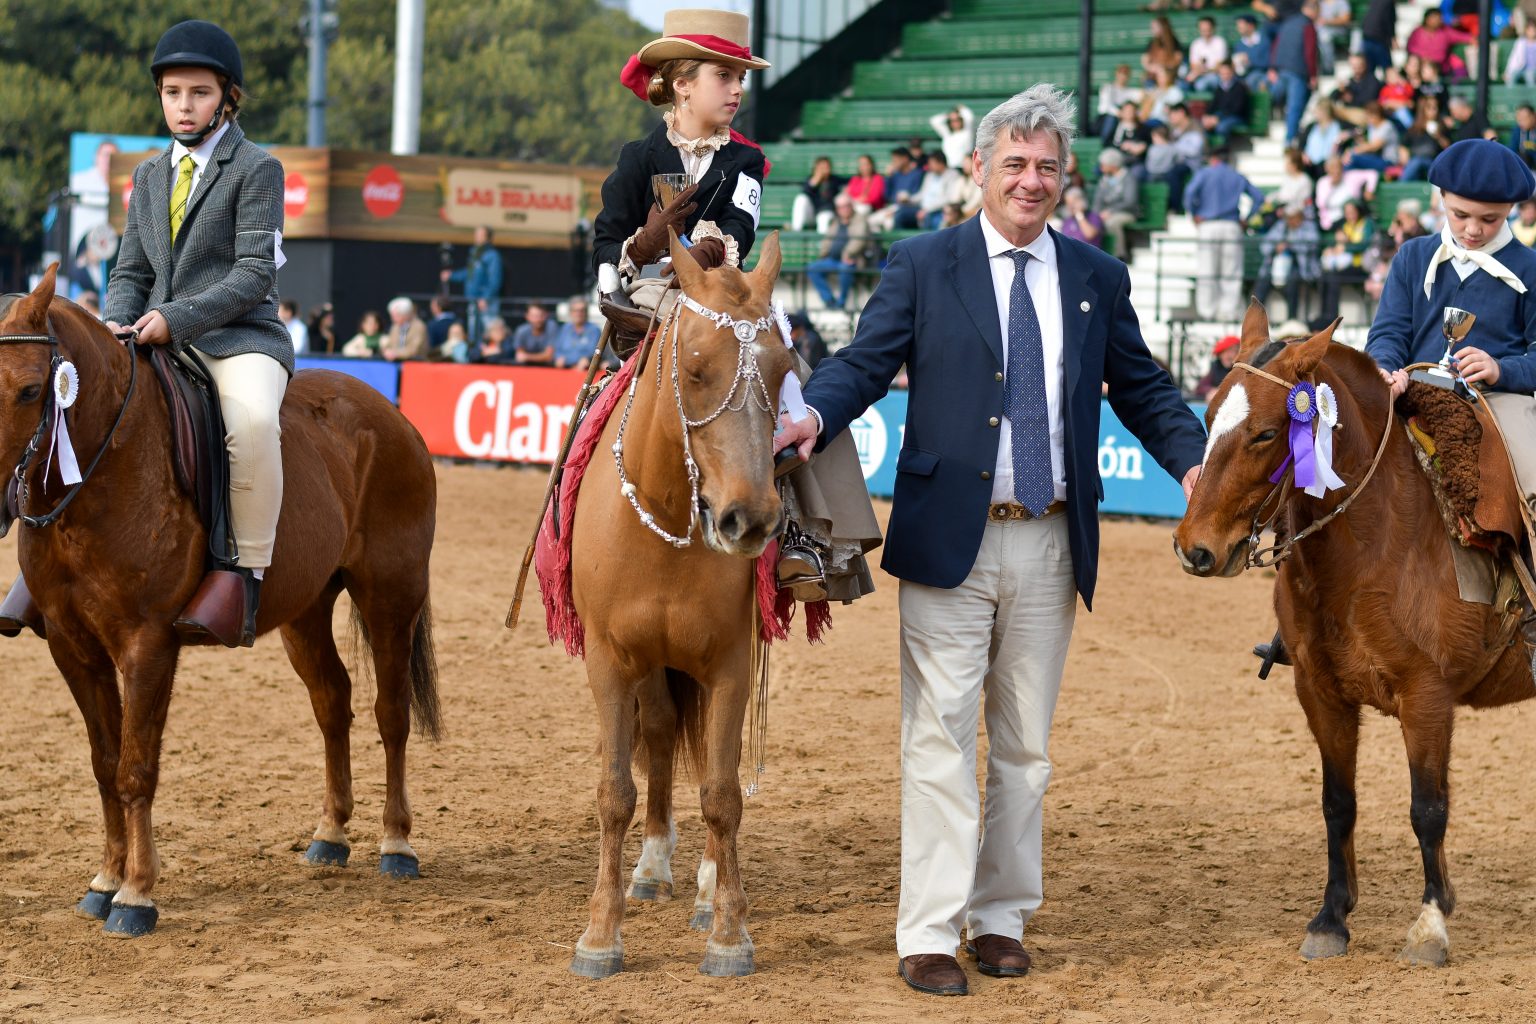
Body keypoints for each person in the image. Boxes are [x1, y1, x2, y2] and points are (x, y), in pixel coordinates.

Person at [773, 84, 1206, 1000]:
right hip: (947, 545)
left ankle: (1000, 917)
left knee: (1024, 749)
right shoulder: (925, 263)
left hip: (1052, 543)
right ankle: (928, 930)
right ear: (978, 169)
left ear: (1066, 176)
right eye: (1014, 163)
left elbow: (1146, 389)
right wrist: (810, 412)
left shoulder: (1097, 277)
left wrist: (1195, 461)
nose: (1031, 181)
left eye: (1048, 166)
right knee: (936, 740)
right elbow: (861, 361)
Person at [8, 20, 293, 647]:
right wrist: (115, 319)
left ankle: (243, 573)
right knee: (69, 408)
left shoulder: (258, 169)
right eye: (172, 93)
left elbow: (252, 275)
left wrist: (176, 318)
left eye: (197, 92)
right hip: (149, 332)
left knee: (249, 425)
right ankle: (42, 566)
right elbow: (131, 269)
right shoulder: (147, 176)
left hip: (239, 338)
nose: (184, 106)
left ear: (227, 96)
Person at [1261, 139, 1536, 668]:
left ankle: (1530, 607)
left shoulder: (1529, 267)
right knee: (1328, 468)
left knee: (1527, 480)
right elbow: (1389, 331)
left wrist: (1505, 369)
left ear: (1511, 213)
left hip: (1498, 401)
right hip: (1412, 394)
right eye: (1460, 215)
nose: (1473, 229)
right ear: (1440, 200)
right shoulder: (1413, 257)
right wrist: (1384, 368)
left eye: (1489, 218)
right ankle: (1300, 613)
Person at [594, 8, 772, 290]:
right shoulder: (637, 158)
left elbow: (741, 227)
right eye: (724, 75)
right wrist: (642, 247)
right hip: (648, 305)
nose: (738, 89)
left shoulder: (747, 160)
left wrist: (713, 249)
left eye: (741, 78)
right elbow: (603, 252)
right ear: (682, 84)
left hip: (718, 298)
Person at [1184, 146, 1265, 322]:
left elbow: (1189, 193)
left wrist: (1194, 213)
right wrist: (1247, 218)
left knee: (1207, 270)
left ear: (1213, 158)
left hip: (1208, 224)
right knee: (1231, 272)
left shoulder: (1205, 173)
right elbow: (1258, 198)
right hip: (1231, 225)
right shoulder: (1236, 175)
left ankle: (1207, 312)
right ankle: (1228, 312)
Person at [1310, 197, 1375, 328]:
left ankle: (1332, 318)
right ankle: (1324, 315)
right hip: (1345, 265)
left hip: (1360, 266)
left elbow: (1365, 245)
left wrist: (1346, 247)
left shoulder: (1366, 224)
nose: (1349, 215)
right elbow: (1339, 245)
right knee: (1324, 276)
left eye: (1352, 211)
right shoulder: (1345, 226)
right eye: (1347, 212)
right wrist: (1332, 250)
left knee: (1334, 278)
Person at [1254, 203, 1321, 321]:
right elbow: (1264, 245)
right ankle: (1255, 318)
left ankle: (1292, 319)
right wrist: (1276, 247)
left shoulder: (1309, 227)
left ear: (1300, 217)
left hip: (1301, 268)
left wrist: (1290, 246)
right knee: (1263, 281)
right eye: (1288, 218)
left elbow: (1312, 244)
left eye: (1293, 217)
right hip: (1277, 266)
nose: (1290, 221)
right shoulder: (1281, 226)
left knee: (1293, 281)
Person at [806, 193, 872, 310]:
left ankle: (841, 302)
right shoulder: (835, 221)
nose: (844, 209)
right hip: (832, 260)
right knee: (813, 268)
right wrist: (823, 254)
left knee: (845, 267)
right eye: (841, 207)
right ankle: (829, 300)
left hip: (853, 259)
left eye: (847, 206)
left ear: (851, 206)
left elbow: (859, 240)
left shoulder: (860, 219)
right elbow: (827, 239)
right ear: (837, 209)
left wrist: (848, 254)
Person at [440, 225, 503, 345]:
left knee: (491, 330)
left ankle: (493, 356)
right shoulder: (475, 254)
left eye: (480, 235)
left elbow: (495, 279)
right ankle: (475, 354)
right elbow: (470, 274)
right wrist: (452, 275)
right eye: (476, 234)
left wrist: (486, 298)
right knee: (474, 331)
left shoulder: (492, 256)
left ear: (488, 238)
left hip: (486, 302)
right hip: (472, 299)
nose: (477, 237)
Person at [1268, 0, 1319, 147]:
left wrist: (1272, 67)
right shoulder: (1307, 25)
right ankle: (1289, 140)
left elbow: (1275, 45)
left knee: (1281, 99)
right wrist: (1313, 74)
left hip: (1281, 69)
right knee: (1295, 106)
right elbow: (1310, 52)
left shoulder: (1287, 23)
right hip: (1298, 71)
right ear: (1311, 10)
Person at [1091, 148, 1140, 260]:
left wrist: (1110, 211)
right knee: (1093, 221)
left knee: (1112, 223)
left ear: (1113, 165)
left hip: (1127, 213)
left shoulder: (1128, 178)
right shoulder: (1104, 179)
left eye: (1103, 165)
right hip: (1106, 213)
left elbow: (1130, 201)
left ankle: (1119, 255)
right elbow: (1097, 201)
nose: (1101, 167)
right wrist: (1096, 214)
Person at [870, 146, 926, 231]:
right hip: (893, 208)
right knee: (871, 221)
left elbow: (915, 198)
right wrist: (888, 177)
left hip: (909, 208)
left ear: (905, 159)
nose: (893, 163)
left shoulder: (917, 174)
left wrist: (895, 210)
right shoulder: (895, 175)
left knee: (889, 222)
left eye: (895, 160)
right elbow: (887, 196)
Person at [1406, 9, 1473, 80]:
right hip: (1420, 65)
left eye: (1439, 18)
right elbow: (1411, 48)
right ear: (1427, 19)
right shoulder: (1417, 32)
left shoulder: (1445, 32)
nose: (1437, 21)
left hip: (1440, 68)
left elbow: (1465, 38)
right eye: (1434, 18)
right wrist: (1423, 59)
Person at [791, 155, 843, 232]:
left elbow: (849, 182)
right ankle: (796, 231)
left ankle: (821, 244)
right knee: (801, 199)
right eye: (822, 167)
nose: (824, 169)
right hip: (811, 214)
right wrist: (816, 179)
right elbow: (805, 192)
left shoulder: (835, 180)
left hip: (826, 212)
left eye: (826, 167)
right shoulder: (810, 179)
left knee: (824, 217)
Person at [1201, 61, 1251, 139]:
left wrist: (1219, 118)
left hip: (1237, 117)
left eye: (1227, 73)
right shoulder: (1219, 88)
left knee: (1221, 127)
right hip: (1221, 115)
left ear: (1232, 72)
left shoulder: (1240, 87)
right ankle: (1209, 148)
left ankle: (1223, 148)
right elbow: (1213, 105)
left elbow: (1237, 109)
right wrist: (1207, 116)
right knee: (1205, 125)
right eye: (1222, 73)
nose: (1225, 76)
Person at [1095, 66, 1142, 143]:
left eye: (1126, 73)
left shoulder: (1129, 91)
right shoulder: (1108, 88)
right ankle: (1106, 143)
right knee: (1112, 118)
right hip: (1104, 120)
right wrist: (1120, 113)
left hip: (1120, 119)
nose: (1123, 76)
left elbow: (1143, 96)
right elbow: (1106, 107)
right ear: (1116, 74)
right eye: (1121, 73)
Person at [552, 297, 602, 369]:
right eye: (575, 311)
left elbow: (593, 353)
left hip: (585, 369)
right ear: (570, 312)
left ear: (586, 312)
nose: (579, 314)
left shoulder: (594, 330)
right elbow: (557, 350)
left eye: (582, 310)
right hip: (564, 369)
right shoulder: (564, 329)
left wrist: (584, 360)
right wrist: (559, 357)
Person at [1186, 17, 1229, 90]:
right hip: (1199, 75)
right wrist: (1198, 71)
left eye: (1208, 29)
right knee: (1183, 84)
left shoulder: (1220, 42)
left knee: (1201, 85)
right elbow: (1193, 65)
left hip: (1216, 76)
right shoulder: (1195, 44)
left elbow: (1219, 66)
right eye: (1203, 29)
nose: (1205, 32)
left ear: (1213, 28)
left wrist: (1204, 71)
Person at [929, 104, 976, 172]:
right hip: (949, 168)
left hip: (962, 168)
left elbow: (970, 117)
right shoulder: (947, 135)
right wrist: (948, 115)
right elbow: (934, 121)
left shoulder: (967, 133)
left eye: (957, 120)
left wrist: (960, 109)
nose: (955, 122)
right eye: (952, 120)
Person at [1193, 334, 1241, 399]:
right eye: (1224, 352)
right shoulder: (1216, 366)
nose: (1228, 356)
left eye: (1232, 351)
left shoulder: (1240, 369)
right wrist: (1211, 390)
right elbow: (1200, 387)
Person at [1232, 14, 1271, 92]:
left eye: (1241, 24)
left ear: (1250, 25)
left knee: (1252, 79)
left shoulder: (1264, 41)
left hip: (1260, 73)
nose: (1238, 27)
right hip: (1242, 75)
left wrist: (1250, 61)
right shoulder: (1239, 44)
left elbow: (1268, 62)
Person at [381, 295, 427, 361]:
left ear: (405, 315)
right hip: (396, 364)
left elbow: (414, 349)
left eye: (395, 315)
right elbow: (389, 344)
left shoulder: (419, 326)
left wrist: (395, 353)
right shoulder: (395, 327)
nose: (392, 319)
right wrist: (385, 351)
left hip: (415, 364)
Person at [1506, 20, 1536, 86]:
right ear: (1526, 31)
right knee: (1512, 75)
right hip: (1521, 69)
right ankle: (1510, 95)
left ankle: (1533, 95)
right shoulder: (1520, 42)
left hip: (1533, 70)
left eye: (1533, 30)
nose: (1531, 32)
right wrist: (1507, 72)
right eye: (1529, 30)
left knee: (1529, 75)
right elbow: (1513, 58)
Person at [1509, 104, 1536, 171]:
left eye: (1524, 118)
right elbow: (1512, 149)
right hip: (1524, 168)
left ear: (1533, 116)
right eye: (1519, 119)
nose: (1521, 122)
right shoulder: (1517, 130)